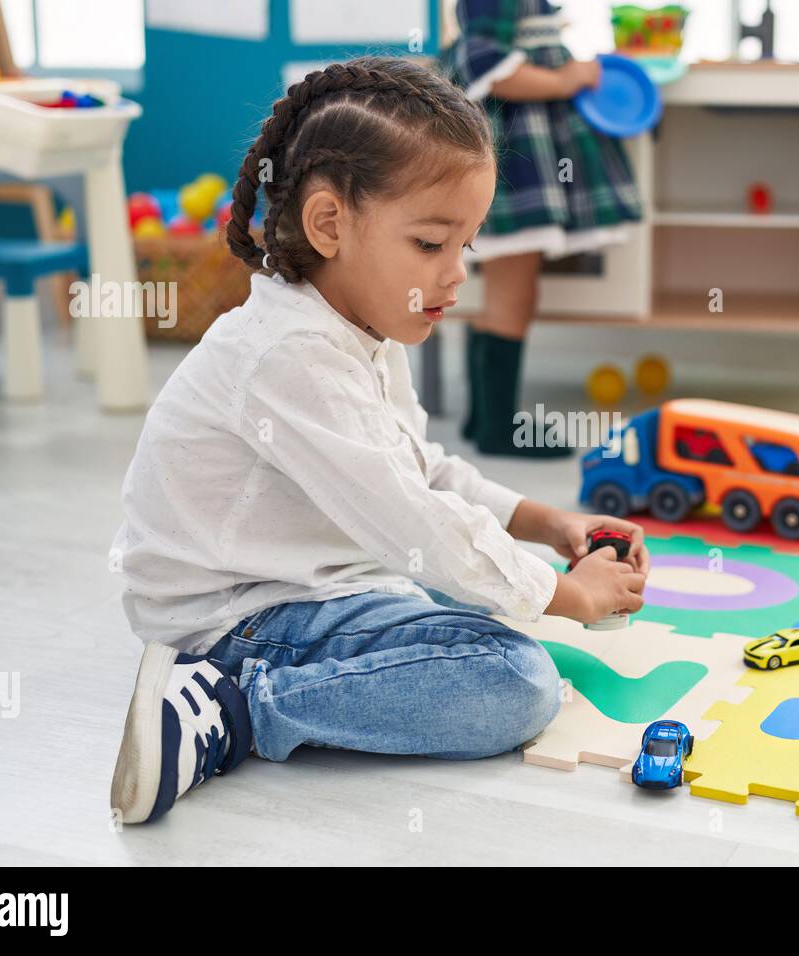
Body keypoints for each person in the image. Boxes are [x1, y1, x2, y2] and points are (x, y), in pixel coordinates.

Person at [108, 57, 648, 824]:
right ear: (331, 224)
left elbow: (417, 470)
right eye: (431, 244)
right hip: (238, 616)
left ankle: (252, 687)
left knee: (486, 594)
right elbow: (412, 518)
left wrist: (545, 525)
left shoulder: (363, 327)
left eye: (466, 244)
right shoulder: (287, 353)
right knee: (513, 681)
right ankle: (232, 704)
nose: (458, 274)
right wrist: (570, 595)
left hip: (314, 583)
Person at [444, 0, 643, 455]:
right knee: (513, 288)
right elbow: (482, 62)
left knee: (509, 288)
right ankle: (499, 427)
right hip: (517, 152)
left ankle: (486, 418)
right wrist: (561, 80)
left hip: (524, 147)